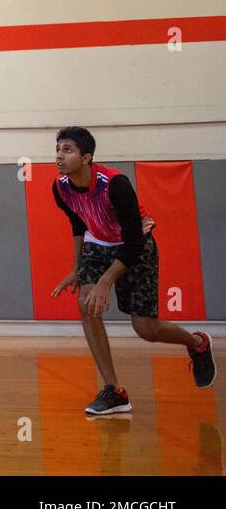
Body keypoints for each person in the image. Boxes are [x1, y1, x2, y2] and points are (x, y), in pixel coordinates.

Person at [49, 126, 215, 415]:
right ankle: (114, 391)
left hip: (135, 246)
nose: (59, 156)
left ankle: (197, 343)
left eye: (68, 150)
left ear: (86, 158)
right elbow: (78, 224)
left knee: (145, 329)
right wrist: (77, 267)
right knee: (86, 305)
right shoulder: (60, 188)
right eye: (58, 150)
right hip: (98, 244)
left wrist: (105, 281)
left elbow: (135, 242)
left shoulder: (115, 184)